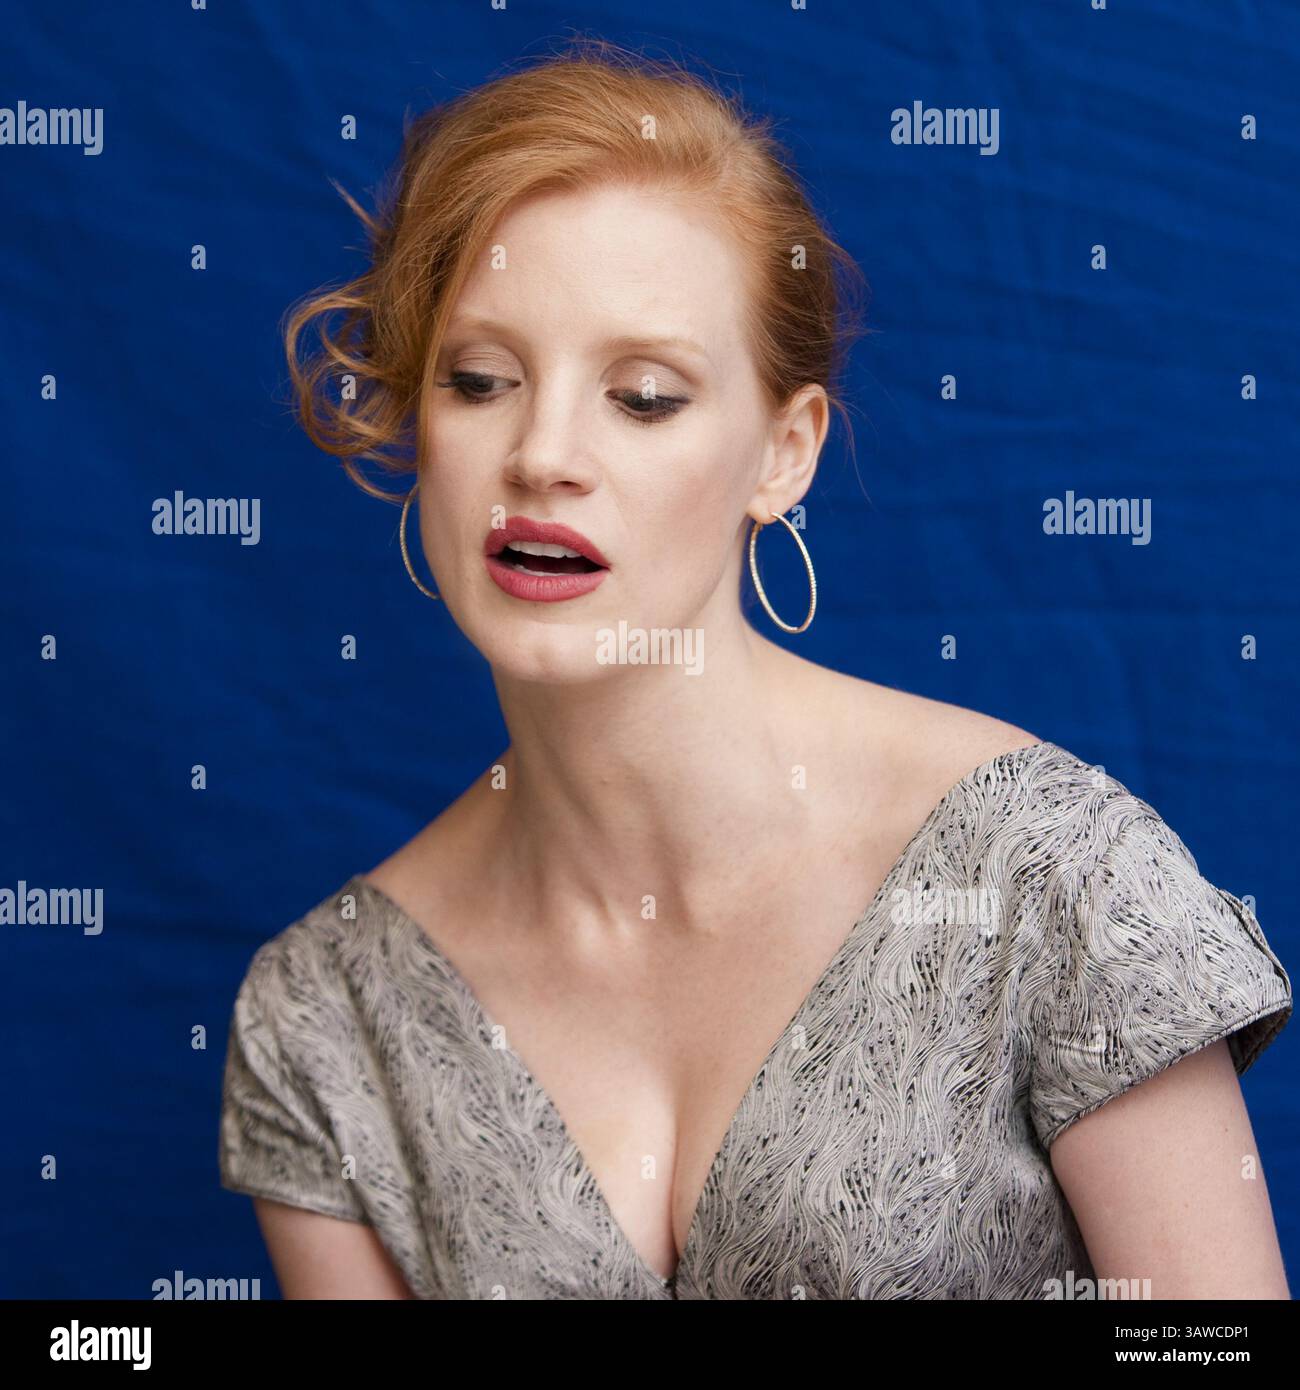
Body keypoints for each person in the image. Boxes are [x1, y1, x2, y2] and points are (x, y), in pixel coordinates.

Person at [218, 39, 1293, 1299]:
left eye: (645, 396)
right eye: (480, 380)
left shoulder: (1051, 876)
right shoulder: (325, 1014)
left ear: (784, 452)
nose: (544, 453)